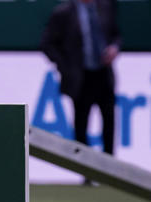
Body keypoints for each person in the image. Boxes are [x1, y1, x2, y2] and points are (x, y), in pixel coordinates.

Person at [41, 0, 120, 155]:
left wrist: (114, 48)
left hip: (103, 75)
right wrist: (65, 67)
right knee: (81, 125)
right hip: (81, 78)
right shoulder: (63, 12)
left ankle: (110, 169)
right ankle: (87, 171)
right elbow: (47, 44)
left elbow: (115, 35)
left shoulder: (105, 7)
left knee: (109, 121)